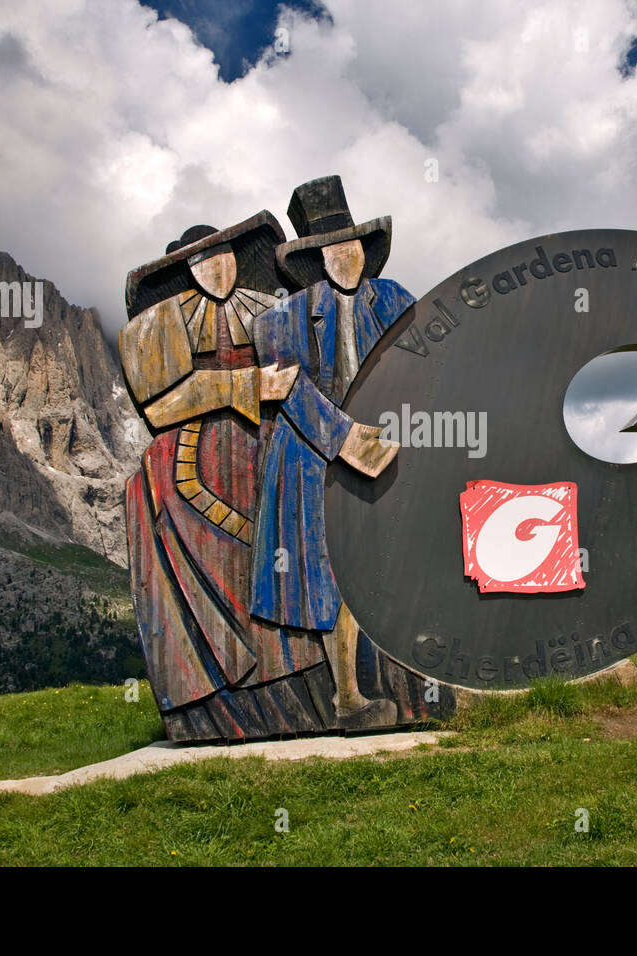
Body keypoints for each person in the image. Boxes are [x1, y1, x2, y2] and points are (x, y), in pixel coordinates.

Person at [120, 211, 335, 742]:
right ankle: (214, 696)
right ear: (187, 268)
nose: (216, 267)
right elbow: (160, 402)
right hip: (191, 460)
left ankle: (296, 686)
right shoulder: (160, 323)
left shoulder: (271, 308)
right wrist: (246, 385)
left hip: (265, 450)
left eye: (225, 255)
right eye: (203, 259)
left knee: (278, 556)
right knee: (208, 552)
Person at [252, 176, 412, 724]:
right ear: (315, 258)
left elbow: (422, 368)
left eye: (353, 245)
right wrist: (343, 439)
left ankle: (409, 677)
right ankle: (346, 695)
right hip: (310, 455)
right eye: (332, 248)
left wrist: (394, 432)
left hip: (388, 447)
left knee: (390, 560)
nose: (345, 257)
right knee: (328, 569)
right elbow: (287, 386)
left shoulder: (396, 301)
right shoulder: (281, 320)